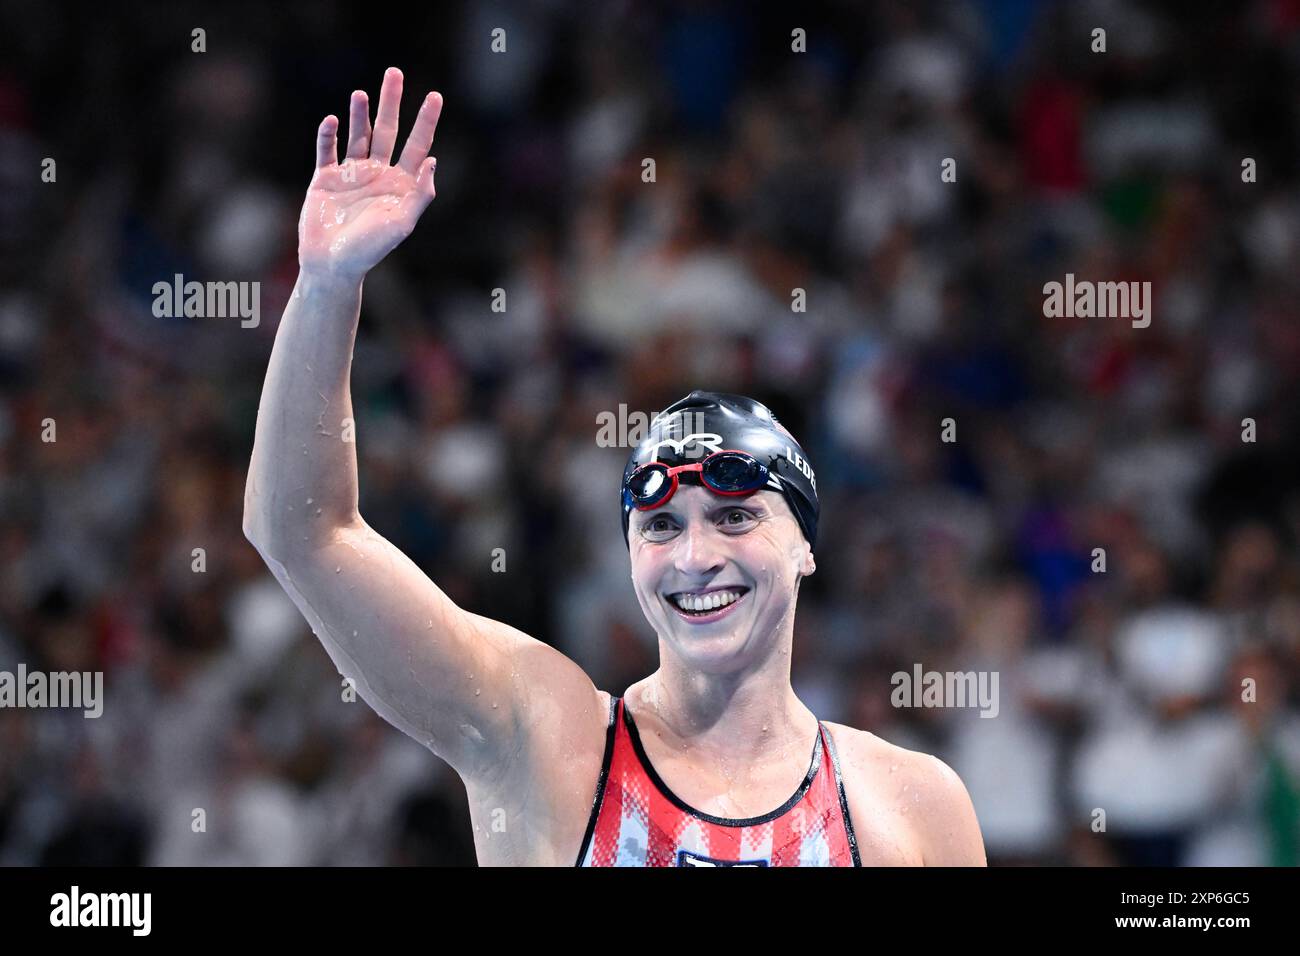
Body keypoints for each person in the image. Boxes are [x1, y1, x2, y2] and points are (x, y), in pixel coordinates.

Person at [243, 67, 987, 866]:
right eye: (661, 525)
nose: (696, 556)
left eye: (734, 515)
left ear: (806, 543)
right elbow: (300, 529)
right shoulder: (544, 740)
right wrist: (327, 287)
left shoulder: (910, 806)